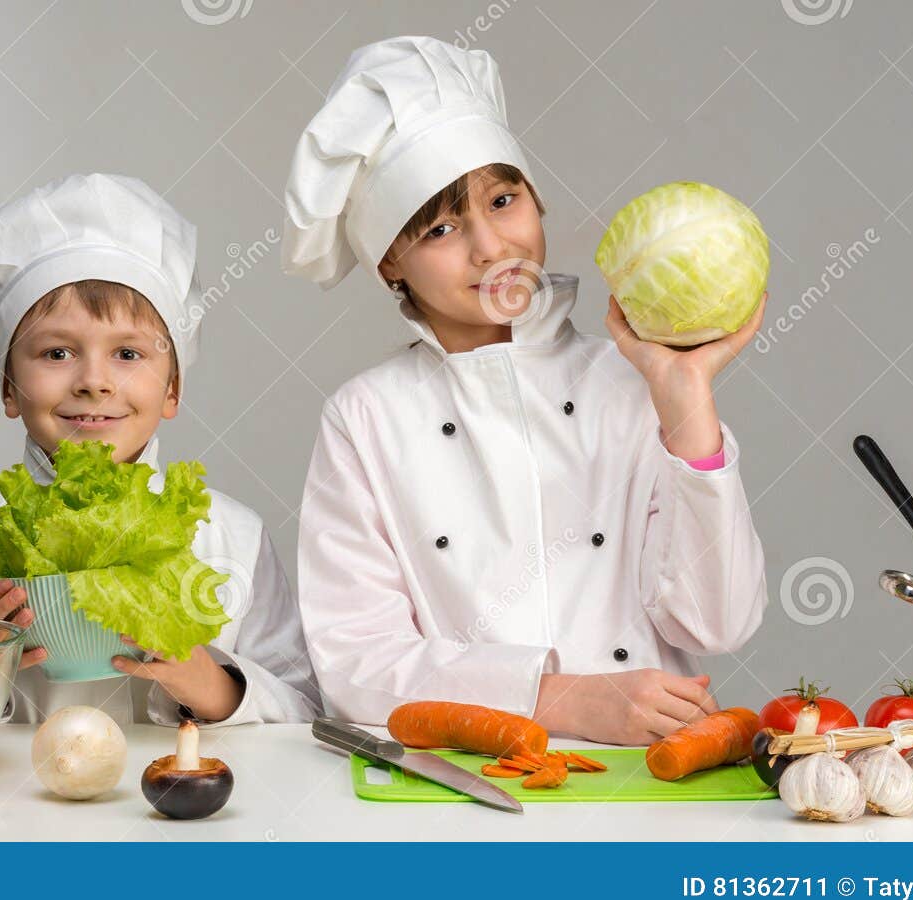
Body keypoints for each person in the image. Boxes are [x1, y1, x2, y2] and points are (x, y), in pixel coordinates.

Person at [282, 36, 766, 746]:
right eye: (442, 228)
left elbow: (718, 624)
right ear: (390, 262)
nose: (491, 248)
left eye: (503, 201)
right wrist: (552, 699)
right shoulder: (367, 417)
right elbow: (356, 664)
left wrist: (687, 398)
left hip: (649, 782)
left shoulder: (632, 386)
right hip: (468, 788)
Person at [0, 173, 320, 726]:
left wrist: (209, 681)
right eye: (56, 354)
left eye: (127, 354)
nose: (93, 381)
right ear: (8, 387)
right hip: (18, 810)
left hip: (180, 808)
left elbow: (303, 709)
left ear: (171, 389)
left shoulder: (232, 536)